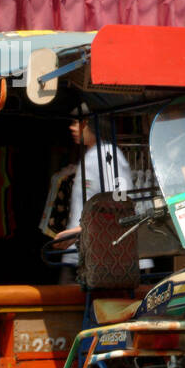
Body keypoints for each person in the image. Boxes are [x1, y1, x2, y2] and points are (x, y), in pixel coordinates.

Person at [56, 107, 147, 283]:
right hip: (83, 257)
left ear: (92, 124)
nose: (72, 127)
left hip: (102, 260)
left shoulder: (107, 156)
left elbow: (121, 205)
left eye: (78, 122)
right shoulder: (92, 155)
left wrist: (79, 231)